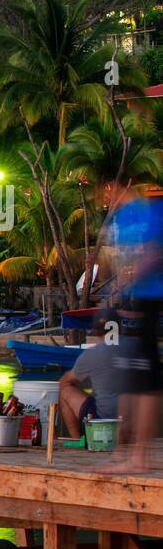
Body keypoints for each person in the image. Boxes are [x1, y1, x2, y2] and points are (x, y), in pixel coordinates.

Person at [103, 194, 163, 473]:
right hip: (141, 298)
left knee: (146, 379)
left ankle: (139, 457)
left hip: (152, 297)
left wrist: (132, 276)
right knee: (132, 375)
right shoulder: (124, 216)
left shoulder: (150, 212)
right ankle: (125, 450)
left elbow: (153, 253)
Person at [58, 309, 134, 438]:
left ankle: (77, 440)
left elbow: (64, 381)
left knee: (65, 391)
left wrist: (87, 382)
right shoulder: (137, 348)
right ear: (120, 328)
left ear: (97, 331)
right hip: (136, 420)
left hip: (106, 420)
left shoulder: (91, 354)